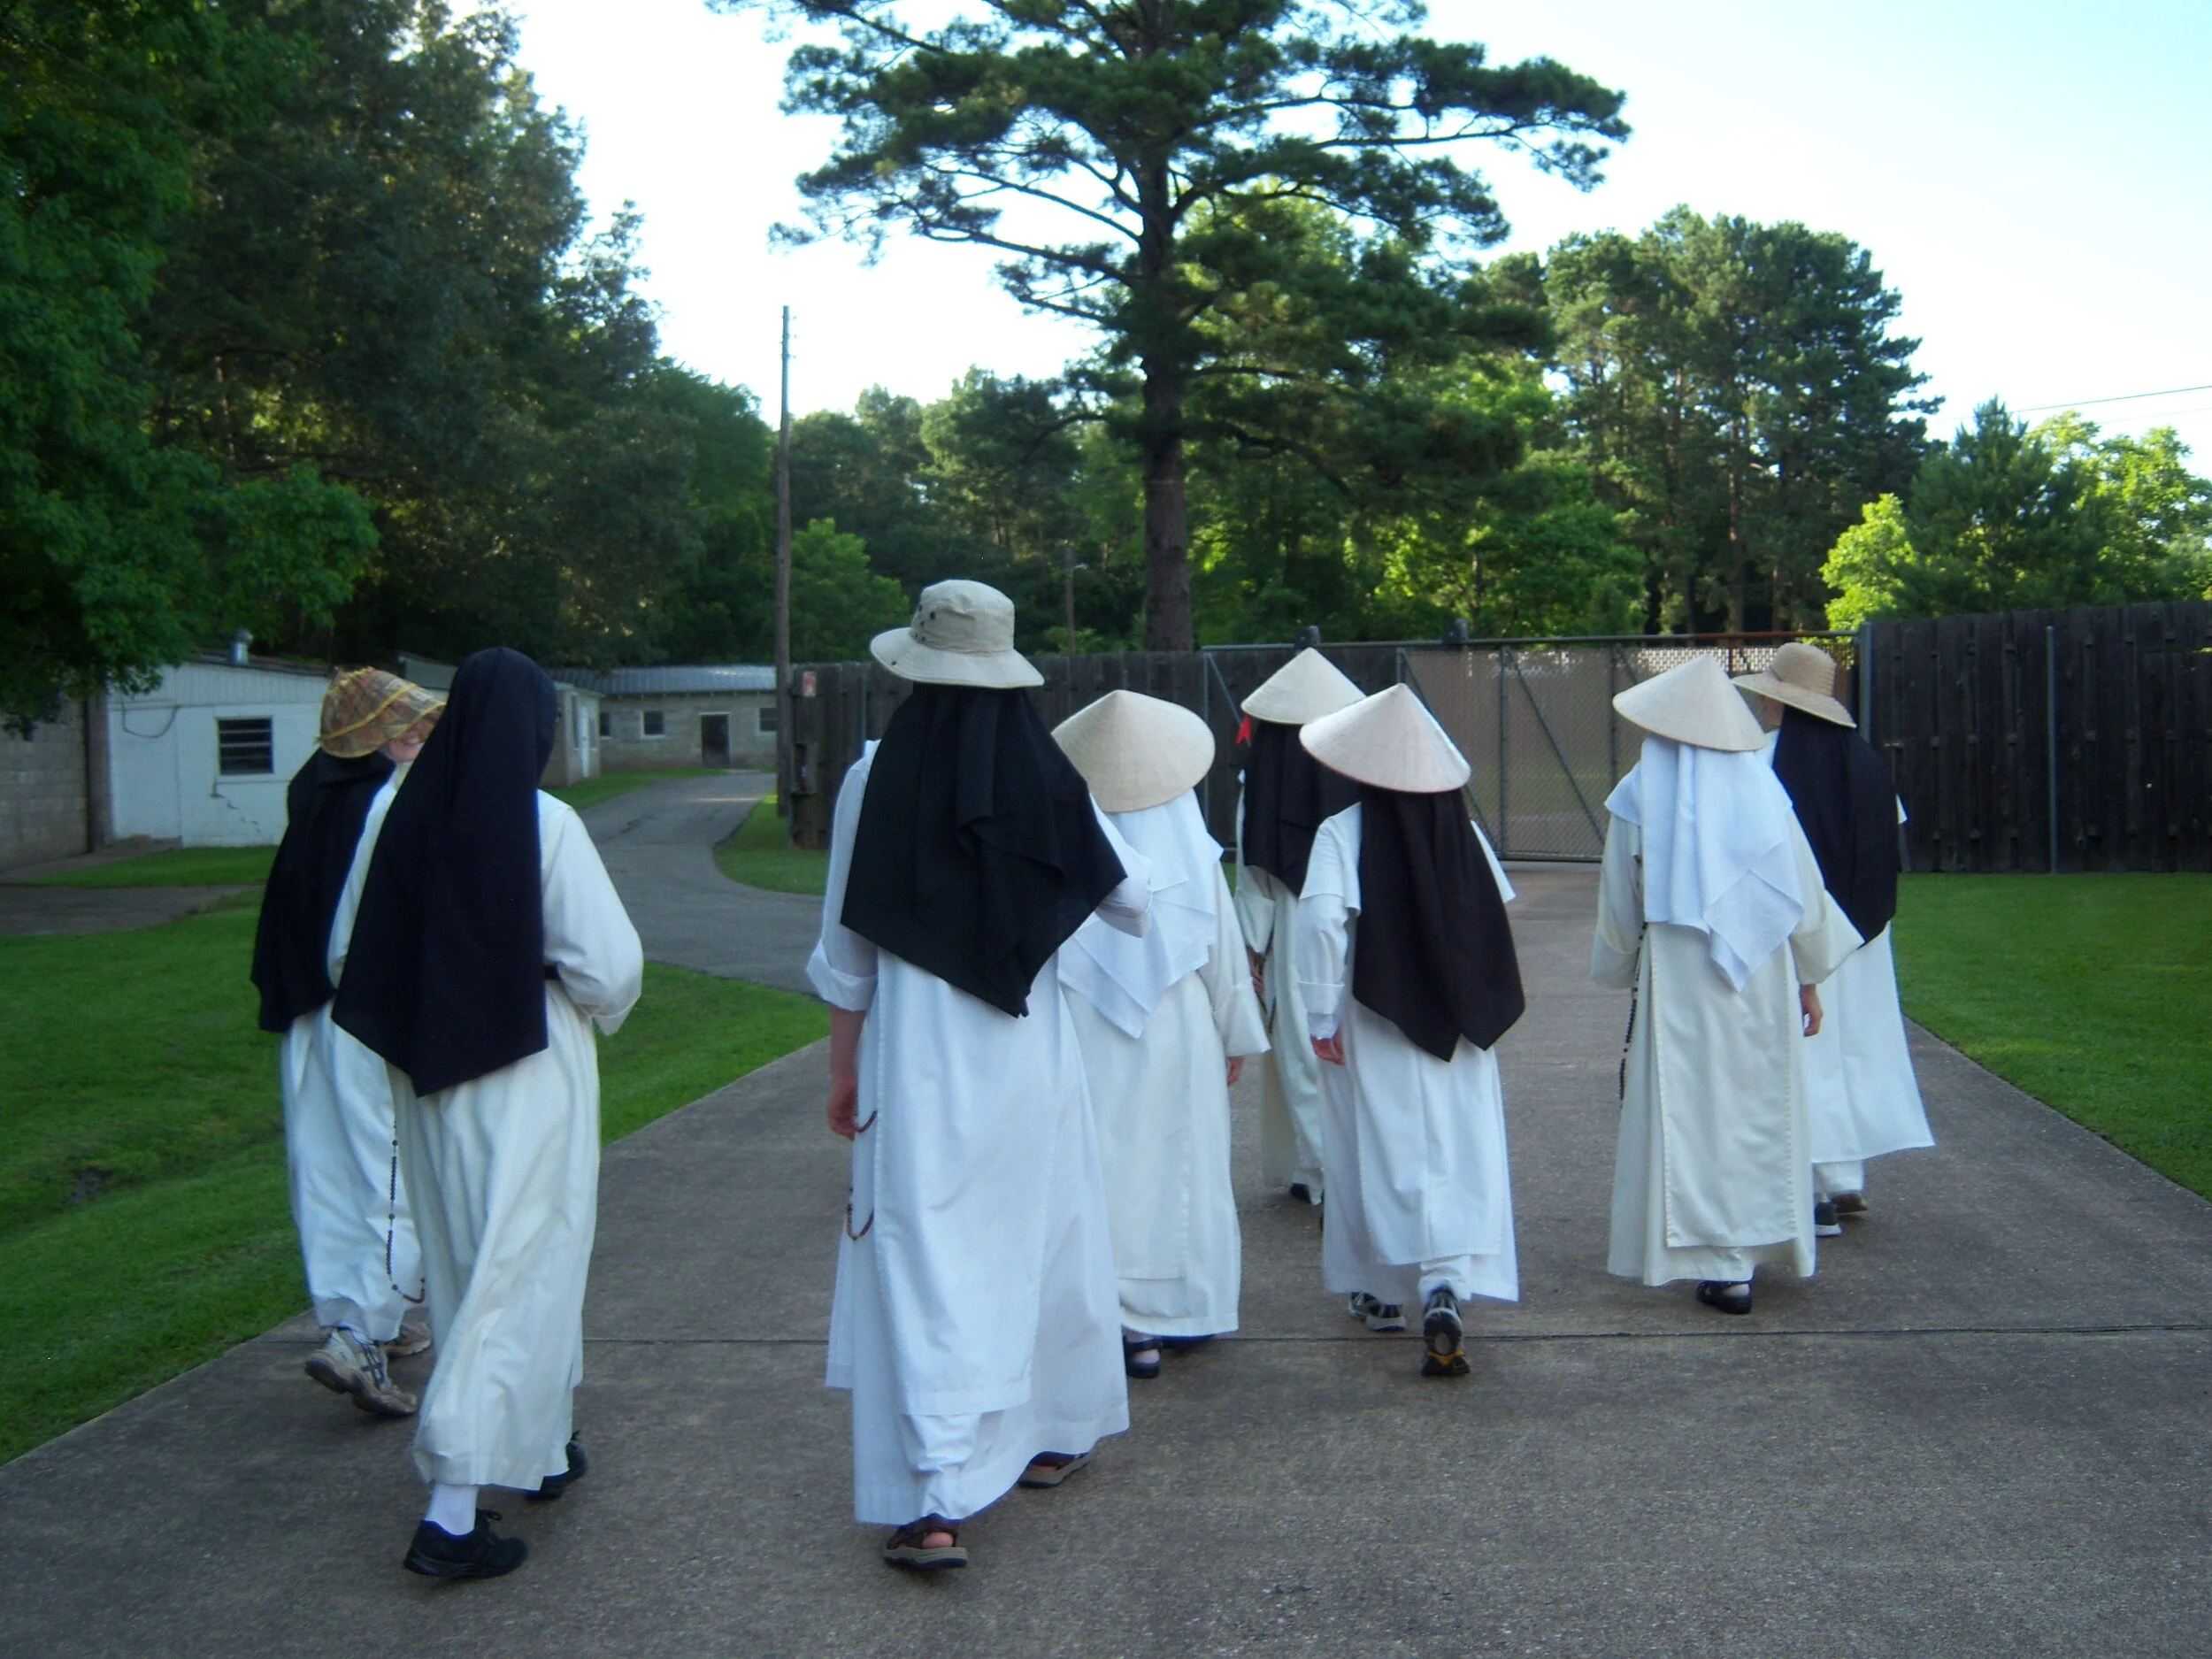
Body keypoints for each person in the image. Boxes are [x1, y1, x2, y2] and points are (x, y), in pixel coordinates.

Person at [808, 580, 1151, 1572]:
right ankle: (1048, 1433)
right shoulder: (1047, 779)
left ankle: (934, 1493)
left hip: (914, 1065)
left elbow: (846, 950)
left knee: (925, 1257)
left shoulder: (871, 779)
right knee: (1038, 1238)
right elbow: (1129, 898)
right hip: (1027, 1059)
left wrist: (842, 1070)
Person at [332, 648, 643, 1580]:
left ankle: (539, 1444)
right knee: (527, 1260)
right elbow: (606, 966)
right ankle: (453, 1510)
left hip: (427, 1073)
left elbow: (350, 949)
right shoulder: (544, 822)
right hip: (528, 1064)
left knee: (471, 1256)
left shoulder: (392, 810)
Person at [1593, 656, 1861, 1316]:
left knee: (1692, 1108)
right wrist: (1809, 976)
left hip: (1679, 970)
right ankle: (1749, 1247)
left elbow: (1619, 900)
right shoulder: (1763, 787)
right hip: (1761, 969)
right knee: (1754, 1104)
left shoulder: (1638, 790)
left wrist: (1624, 966)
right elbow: (1803, 891)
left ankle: (1715, 1259)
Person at [1292, 685, 1525, 1378]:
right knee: (1456, 1146)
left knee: (1380, 1145)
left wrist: (1320, 1011)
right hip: (1457, 1025)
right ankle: (1446, 1280)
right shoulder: (1464, 830)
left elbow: (1320, 923)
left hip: (1378, 1014)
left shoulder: (1344, 831)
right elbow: (1495, 908)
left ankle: (1384, 1289)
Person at [1052, 690, 1269, 1382]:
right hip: (1177, 1024)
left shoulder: (1062, 838)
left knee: (1102, 1166)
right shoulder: (1190, 848)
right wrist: (1236, 1031)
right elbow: (1220, 948)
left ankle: (1112, 1315)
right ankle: (1181, 1309)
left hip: (1082, 1022)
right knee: (1184, 1165)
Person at [250, 667, 442, 1418]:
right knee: (393, 1170)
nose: (422, 739)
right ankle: (362, 1333)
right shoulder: (384, 803)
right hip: (364, 1016)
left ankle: (360, 1319)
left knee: (327, 1170)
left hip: (308, 1016)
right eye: (413, 728)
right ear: (386, 736)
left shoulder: (316, 798)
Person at [1734, 643, 1932, 1227]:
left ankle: (1815, 1188)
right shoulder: (1868, 762)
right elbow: (1886, 833)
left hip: (1802, 928)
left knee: (1803, 1049)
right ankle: (1844, 1176)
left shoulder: (1763, 762)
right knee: (1853, 1048)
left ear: (1782, 700)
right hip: (1868, 931)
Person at [1232, 648, 1363, 1206]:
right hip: (1360, 917)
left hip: (1292, 918)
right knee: (1351, 1045)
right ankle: (1332, 1170)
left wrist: (1252, 944)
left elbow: (1253, 863)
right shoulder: (1363, 768)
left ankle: (1324, 1173)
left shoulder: (1262, 777)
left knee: (1303, 1043)